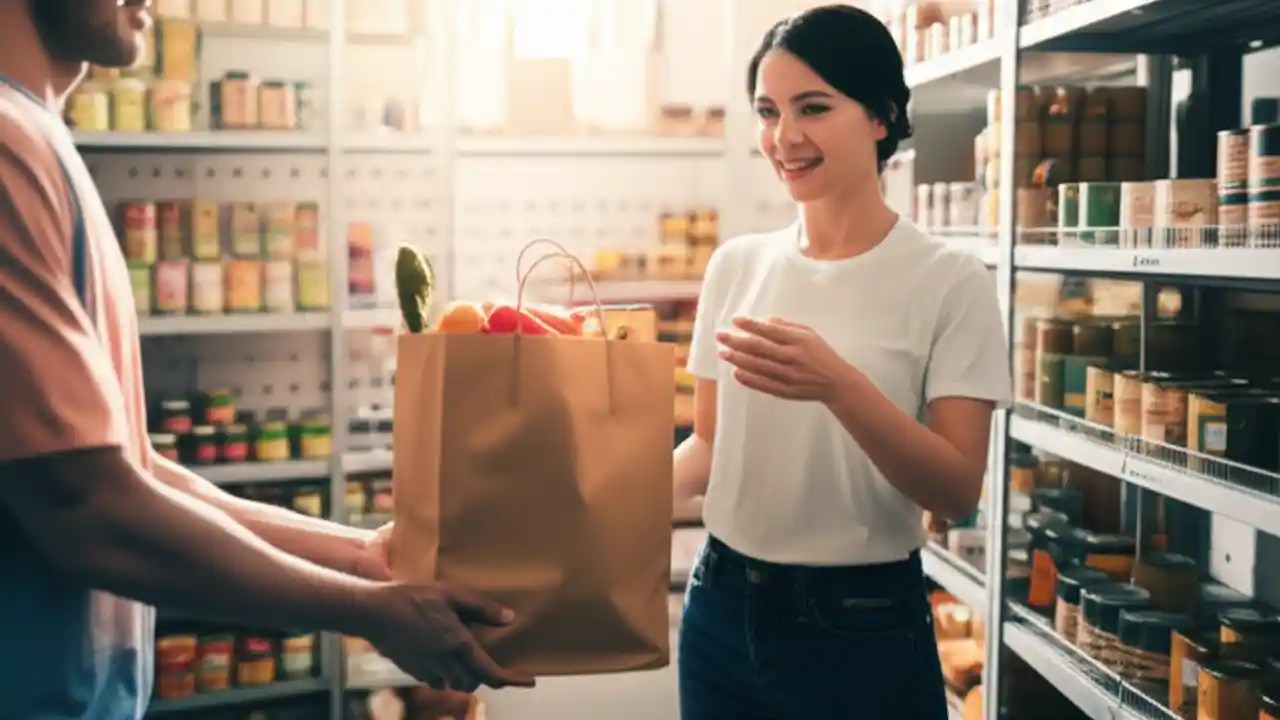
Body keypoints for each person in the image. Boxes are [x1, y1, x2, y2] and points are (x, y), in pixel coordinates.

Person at [0, 1, 533, 716]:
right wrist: (371, 609)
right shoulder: (6, 148)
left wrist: (365, 561)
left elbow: (124, 470)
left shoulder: (36, 136)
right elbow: (88, 505)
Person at [672, 6, 1012, 719]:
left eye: (813, 107)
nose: (784, 137)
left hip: (860, 621)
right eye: (768, 111)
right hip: (722, 609)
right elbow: (706, 448)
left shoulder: (951, 282)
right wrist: (570, 510)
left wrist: (837, 385)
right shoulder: (737, 265)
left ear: (882, 116)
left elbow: (954, 491)